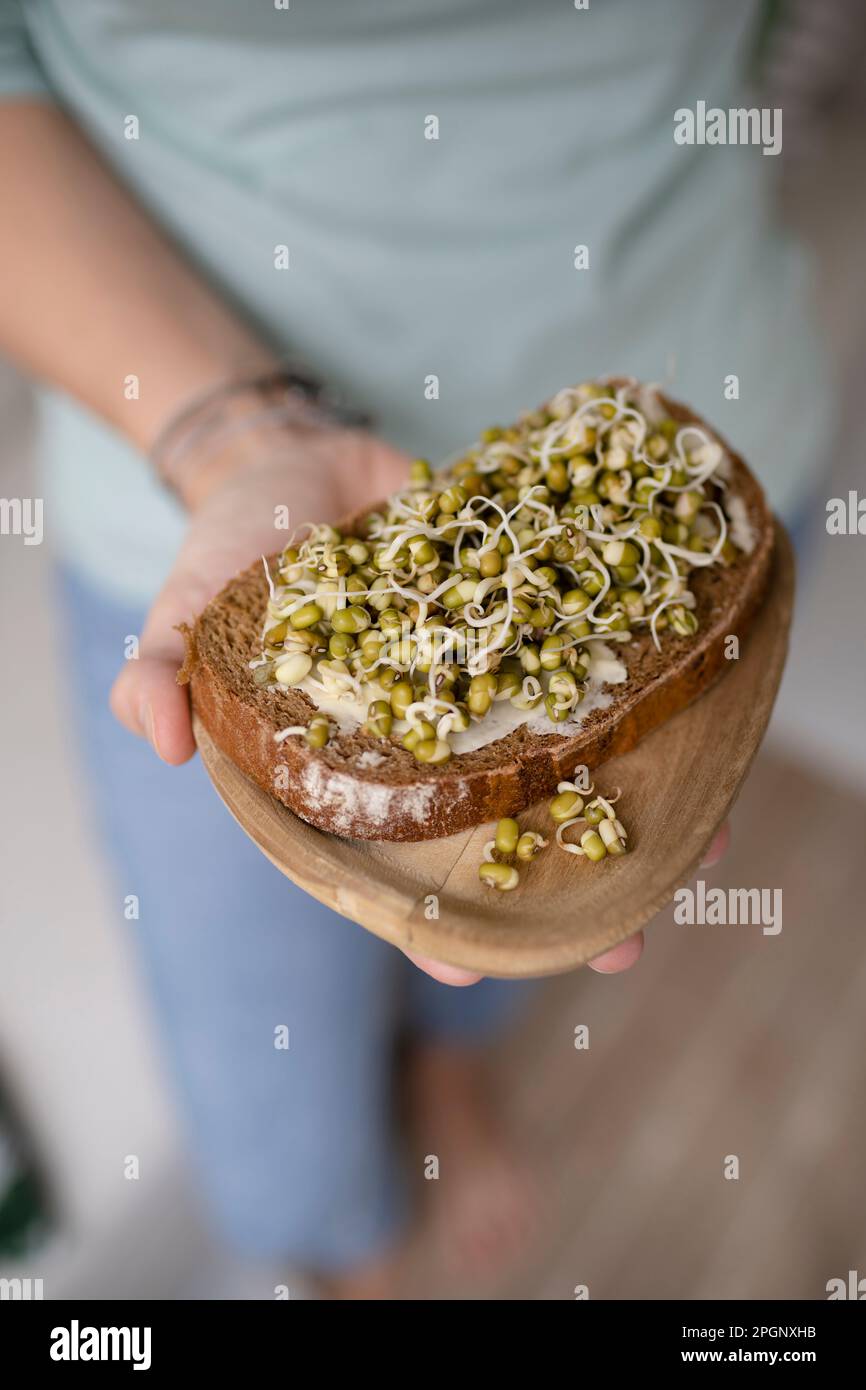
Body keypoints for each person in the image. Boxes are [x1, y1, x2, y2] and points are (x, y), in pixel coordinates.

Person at [0, 1, 825, 1296]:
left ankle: (449, 1078)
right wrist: (233, 433)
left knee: (526, 919)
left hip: (696, 424)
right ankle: (348, 1253)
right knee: (260, 1064)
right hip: (195, 487)